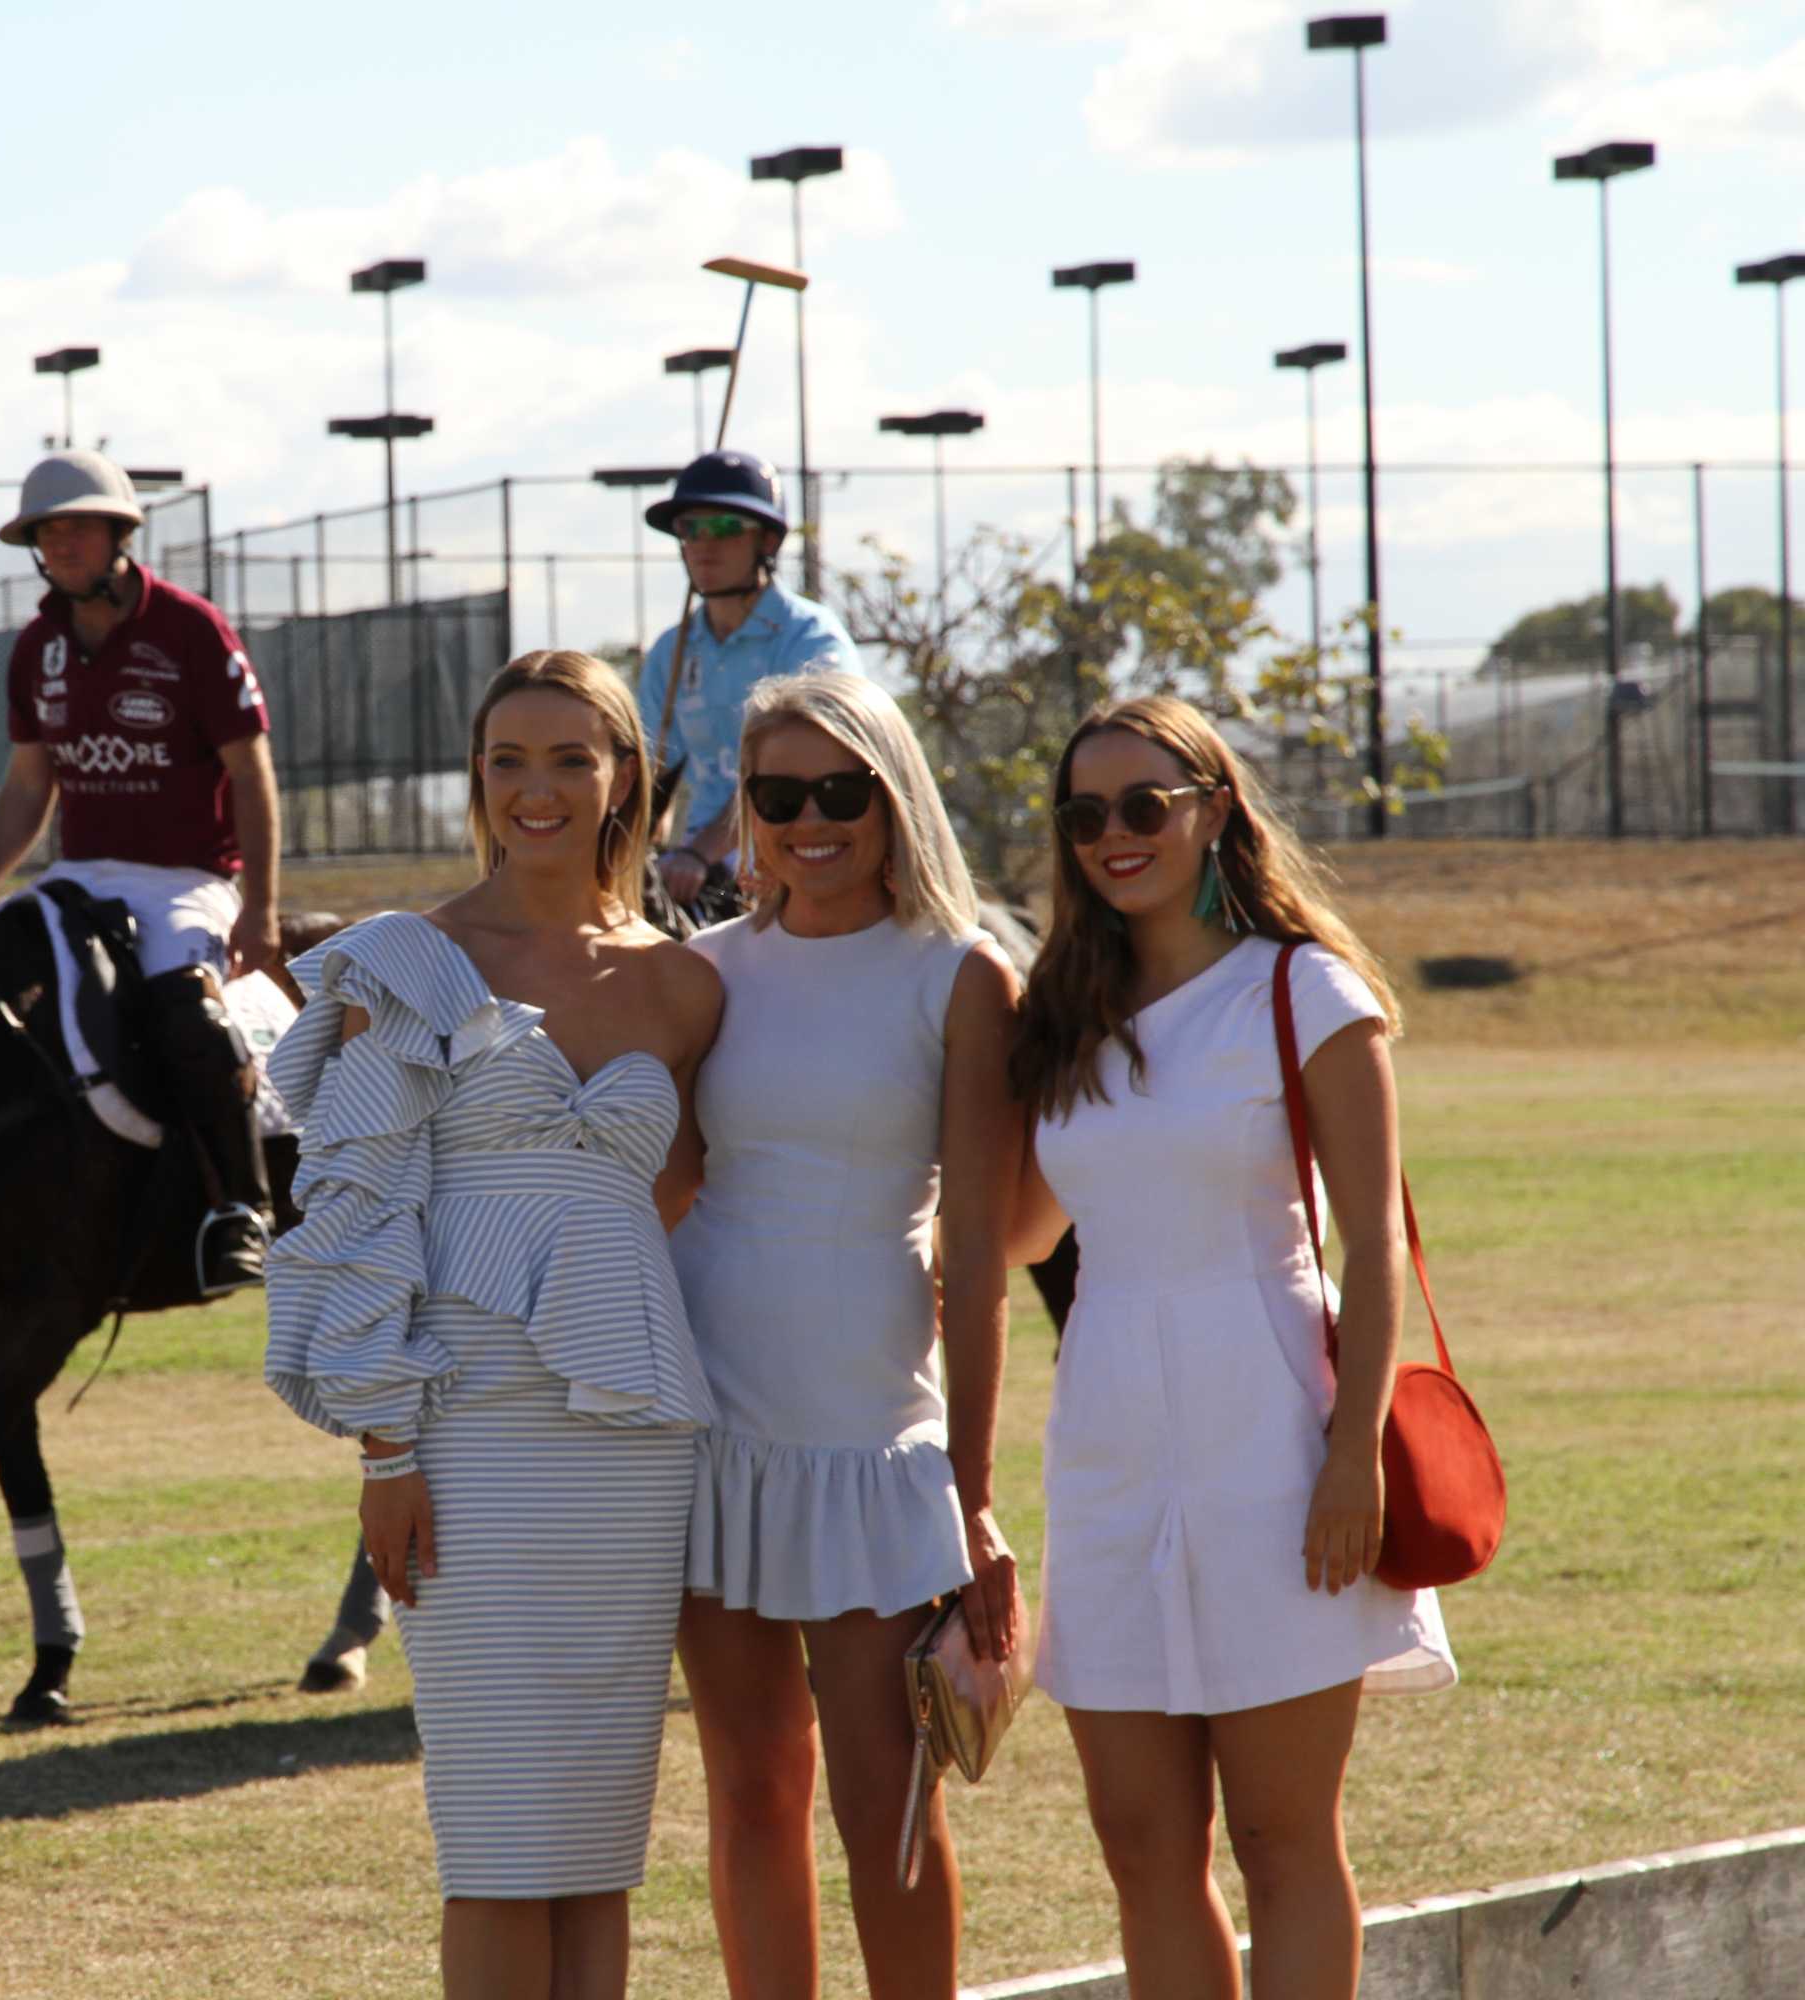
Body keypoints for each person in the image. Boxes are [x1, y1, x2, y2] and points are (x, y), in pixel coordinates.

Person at [265, 649, 722, 1999]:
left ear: (624, 776)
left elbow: (678, 1198)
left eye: (571, 758)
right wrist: (383, 1454)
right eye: (509, 760)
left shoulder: (688, 988)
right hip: (467, 1441)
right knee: (498, 1844)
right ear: (479, 777)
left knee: (596, 1851)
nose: (537, 789)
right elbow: (351, 1217)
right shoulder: (407, 960)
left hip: (632, 1448)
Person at [1005, 694, 1454, 2000]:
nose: (1114, 835)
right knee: (1141, 1844)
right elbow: (1035, 1231)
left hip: (1276, 1445)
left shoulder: (1304, 988)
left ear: (1214, 809)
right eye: (1085, 814)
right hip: (1105, 1453)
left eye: (1147, 805)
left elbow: (1371, 1247)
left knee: (1279, 1837)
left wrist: (1351, 1459)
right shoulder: (1068, 1006)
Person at [667, 671, 1026, 1999]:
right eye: (778, 795)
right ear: (745, 813)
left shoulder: (959, 975)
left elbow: (980, 1261)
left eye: (841, 792)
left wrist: (975, 1499)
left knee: (890, 1805)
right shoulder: (701, 973)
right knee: (754, 1790)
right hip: (713, 1425)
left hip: (873, 1434)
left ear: (892, 800)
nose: (810, 822)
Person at [0, 448, 284, 1293]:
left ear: (118, 534)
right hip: (82, 873)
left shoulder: (190, 629)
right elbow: (31, 786)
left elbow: (251, 772)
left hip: (186, 879)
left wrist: (262, 911)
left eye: (77, 528)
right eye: (47, 532)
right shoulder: (38, 648)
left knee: (187, 1011)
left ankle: (242, 1208)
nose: (61, 544)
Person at [633, 450, 864, 922]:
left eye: (722, 528)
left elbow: (806, 772)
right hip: (698, 875)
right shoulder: (671, 652)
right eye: (689, 528)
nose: (702, 545)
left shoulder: (809, 638)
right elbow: (646, 776)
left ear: (767, 540)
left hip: (804, 855)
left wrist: (700, 852)